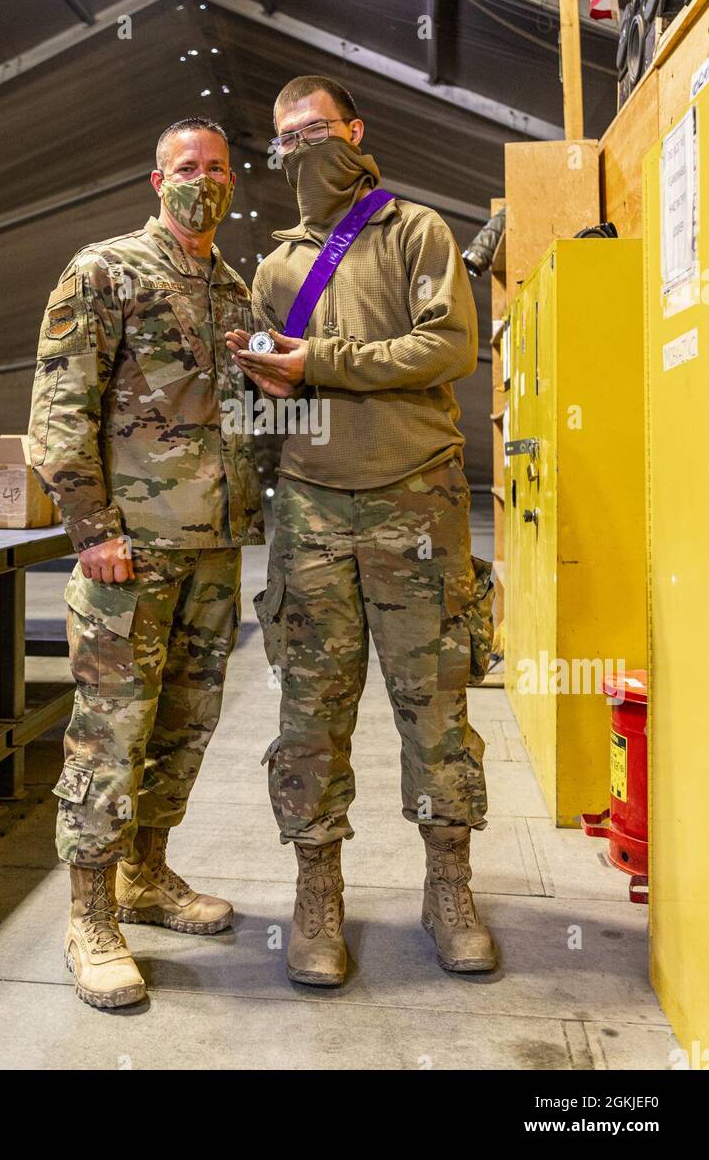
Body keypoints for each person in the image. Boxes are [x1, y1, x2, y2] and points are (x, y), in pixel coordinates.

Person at [226, 75, 496, 987]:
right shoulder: (273, 270)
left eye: (318, 130)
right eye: (287, 137)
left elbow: (450, 345)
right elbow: (273, 400)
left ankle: (448, 887)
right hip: (310, 508)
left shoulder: (415, 232)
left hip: (415, 499)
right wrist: (260, 385)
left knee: (435, 708)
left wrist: (320, 364)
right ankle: (317, 896)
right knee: (310, 713)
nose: (304, 148)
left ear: (356, 128)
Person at [29, 117, 263, 1009]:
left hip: (211, 552)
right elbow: (58, 412)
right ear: (153, 179)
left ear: (233, 180)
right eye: (185, 167)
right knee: (109, 733)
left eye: (215, 168)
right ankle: (90, 915)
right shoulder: (105, 271)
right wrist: (94, 530)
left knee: (182, 729)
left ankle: (146, 875)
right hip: (128, 553)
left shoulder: (232, 288)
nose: (201, 180)